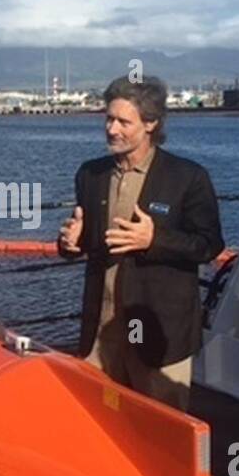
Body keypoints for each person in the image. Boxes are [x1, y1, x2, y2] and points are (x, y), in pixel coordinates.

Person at [57, 75, 223, 411]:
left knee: (161, 433)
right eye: (108, 118)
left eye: (123, 122)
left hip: (157, 332)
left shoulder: (187, 178)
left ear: (151, 124)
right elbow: (88, 240)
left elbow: (209, 244)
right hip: (103, 333)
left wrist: (154, 239)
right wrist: (70, 243)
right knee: (98, 421)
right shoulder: (91, 174)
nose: (111, 129)